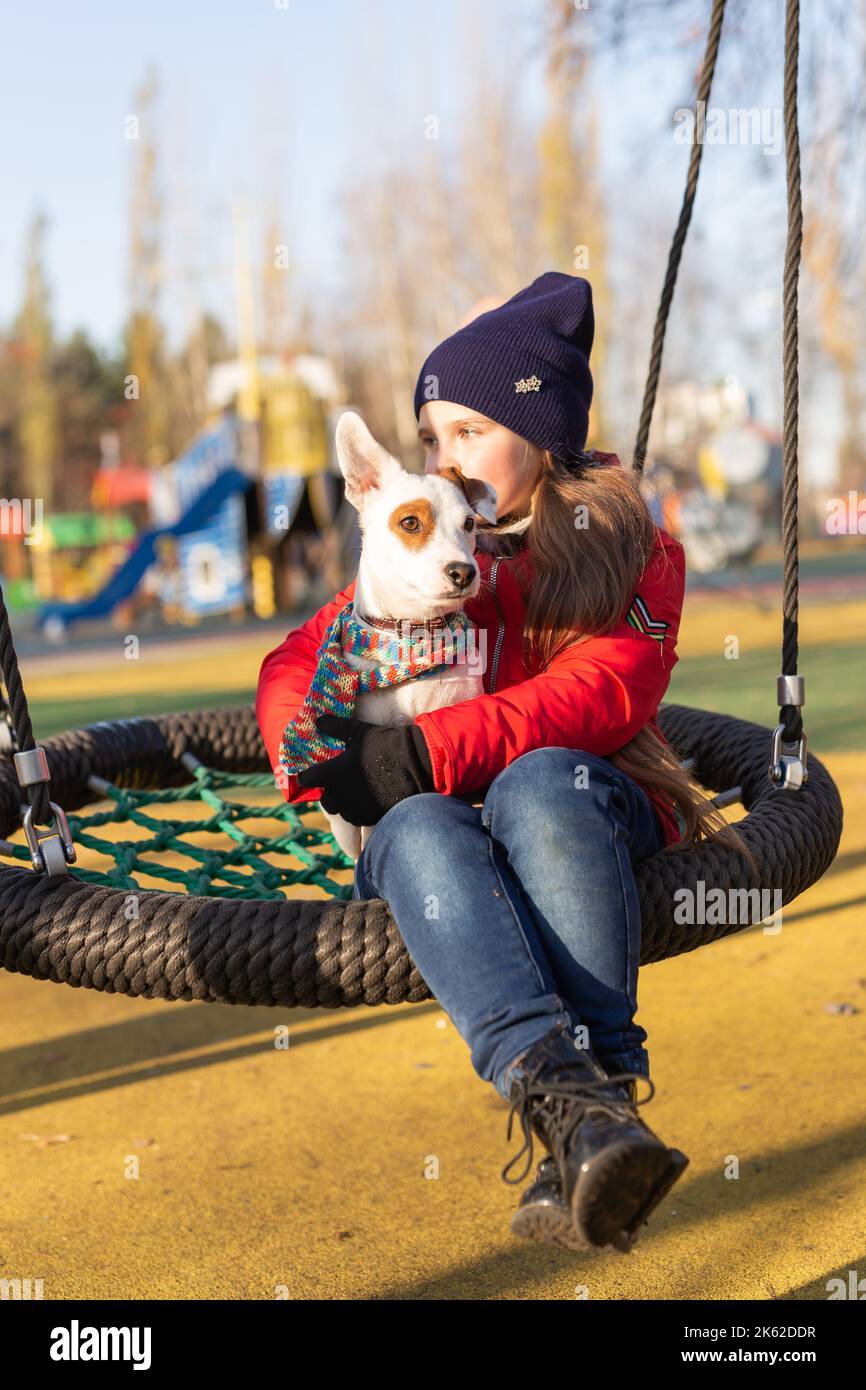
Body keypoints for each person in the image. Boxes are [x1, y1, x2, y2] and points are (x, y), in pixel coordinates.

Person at [255, 271, 751, 1254]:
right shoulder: (437, 551)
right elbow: (296, 660)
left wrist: (415, 750)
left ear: (544, 434)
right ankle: (578, 1112)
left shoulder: (627, 545)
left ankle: (599, 1074)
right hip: (454, 831)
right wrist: (321, 755)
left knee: (536, 777)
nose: (445, 459)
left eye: (468, 431)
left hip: (591, 806)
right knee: (412, 824)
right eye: (432, 437)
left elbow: (593, 694)